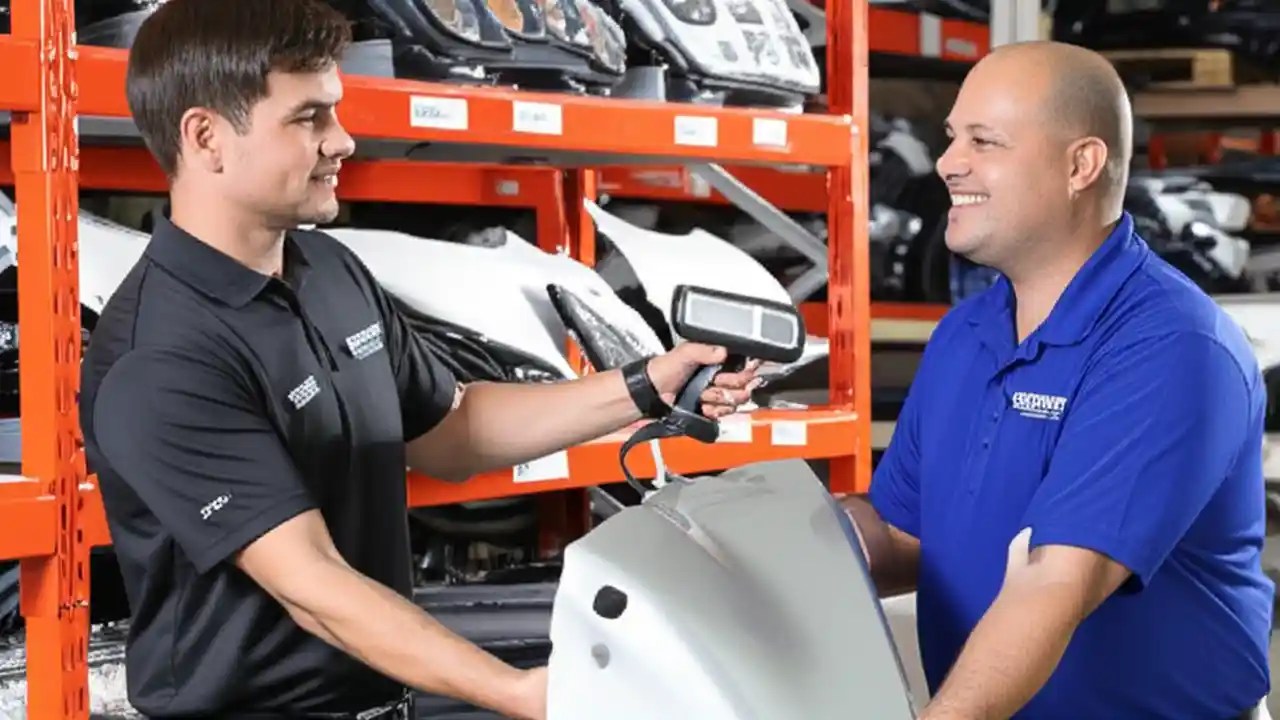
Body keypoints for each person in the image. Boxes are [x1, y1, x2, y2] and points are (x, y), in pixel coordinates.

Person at [76, 1, 760, 718]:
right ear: (206, 137)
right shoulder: (159, 357)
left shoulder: (330, 272)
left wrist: (649, 386)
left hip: (380, 700)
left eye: (336, 112)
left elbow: (455, 432)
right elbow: (311, 585)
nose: (342, 141)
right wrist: (515, 691)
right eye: (309, 118)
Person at [841, 40, 1274, 720]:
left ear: (1081, 165)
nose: (949, 164)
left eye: (985, 141)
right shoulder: (967, 334)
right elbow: (905, 536)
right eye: (952, 137)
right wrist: (768, 541)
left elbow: (1056, 582)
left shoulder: (1169, 346)